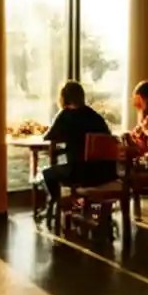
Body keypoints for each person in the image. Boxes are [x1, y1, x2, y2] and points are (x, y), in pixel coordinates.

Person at [42, 81, 115, 212]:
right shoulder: (95, 116)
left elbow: (47, 137)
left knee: (48, 173)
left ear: (63, 98)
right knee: (68, 166)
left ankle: (62, 207)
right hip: (105, 173)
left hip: (81, 174)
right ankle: (81, 205)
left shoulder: (65, 115)